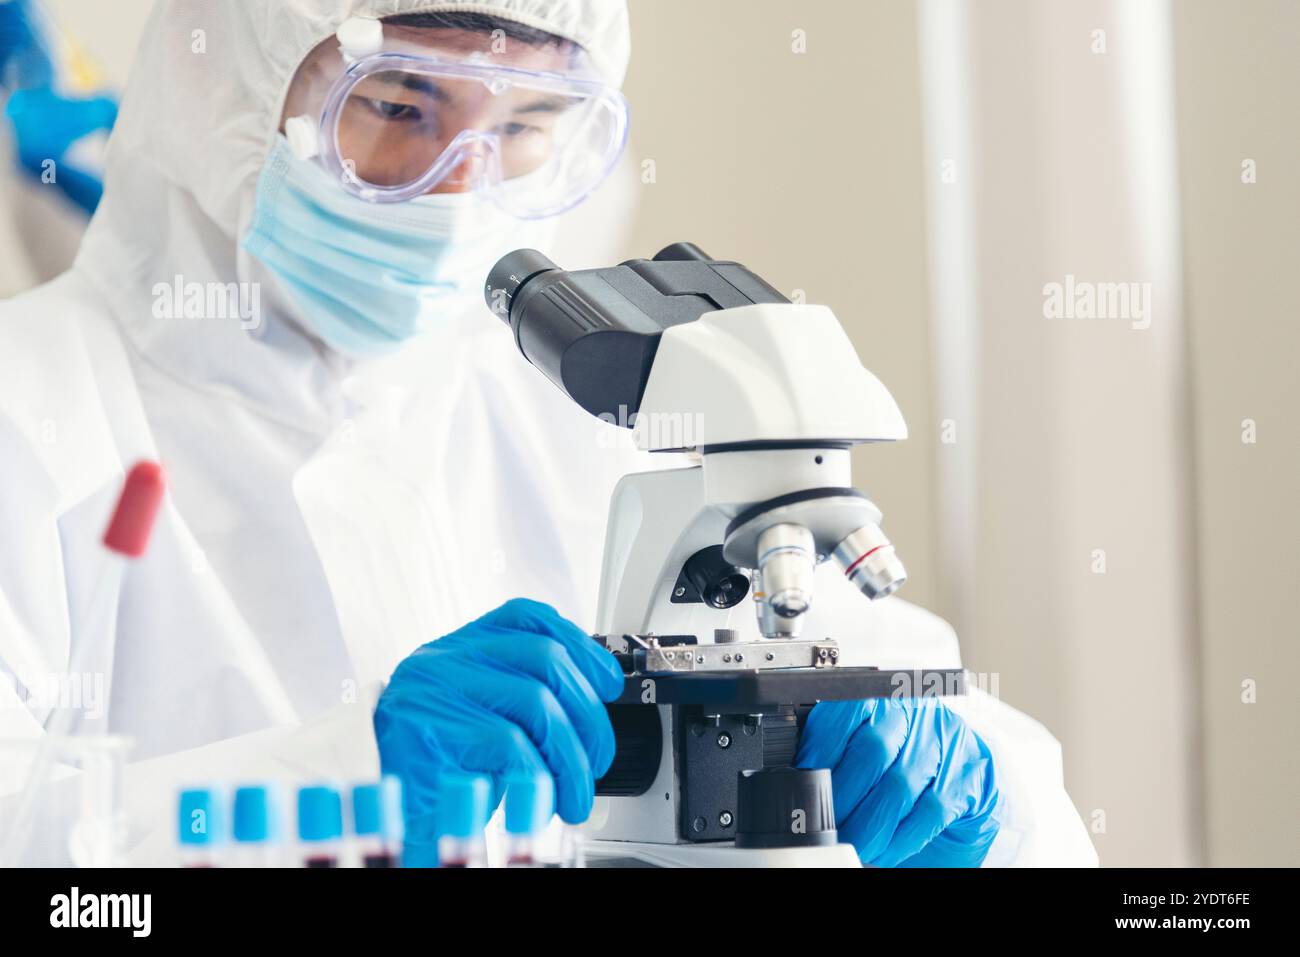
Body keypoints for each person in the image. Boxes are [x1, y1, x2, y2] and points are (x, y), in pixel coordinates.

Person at [0, 0, 1096, 867]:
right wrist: (332, 795)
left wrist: (986, 826)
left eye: (525, 126)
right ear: (229, 88)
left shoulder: (622, 415)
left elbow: (986, 777)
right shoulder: (32, 409)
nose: (462, 192)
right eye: (396, 107)